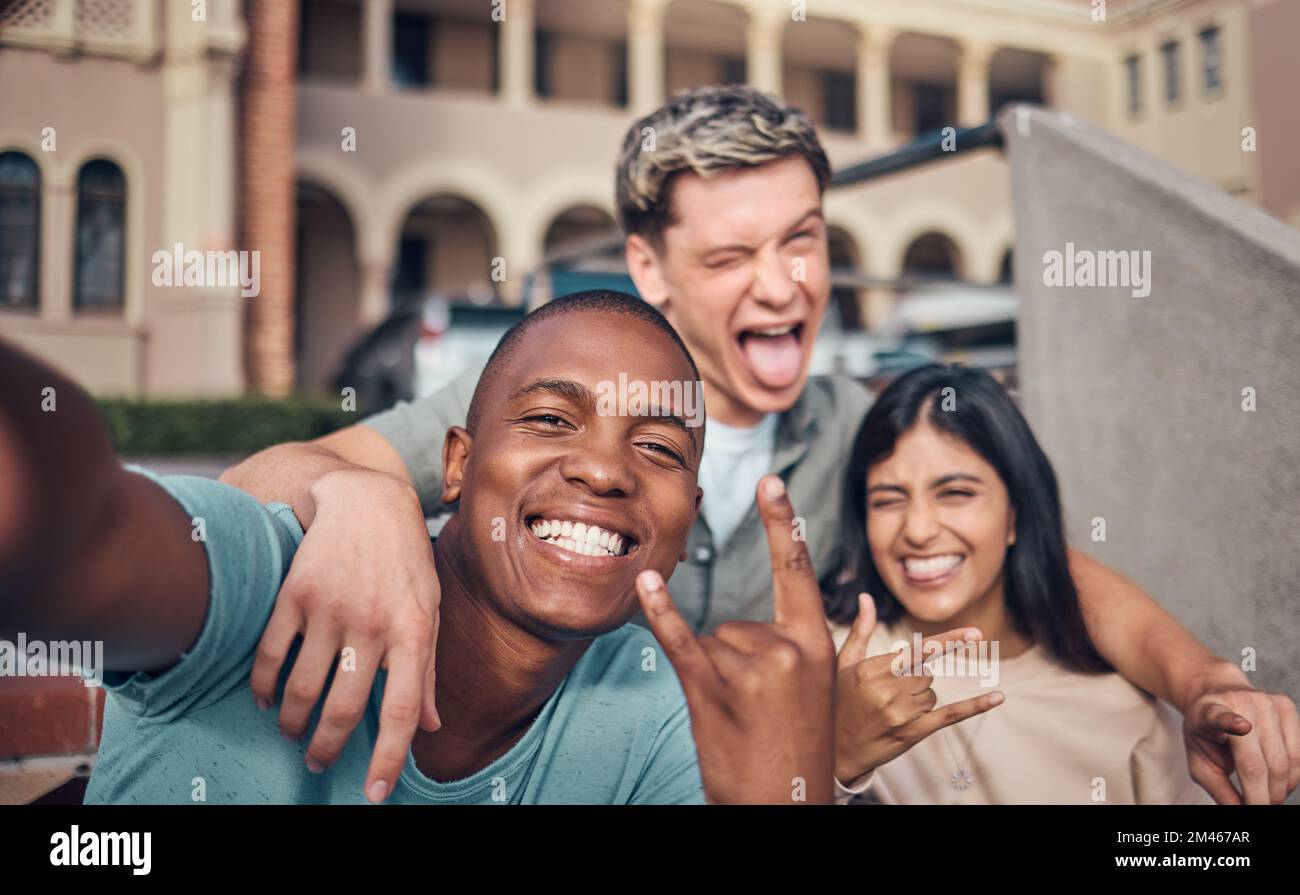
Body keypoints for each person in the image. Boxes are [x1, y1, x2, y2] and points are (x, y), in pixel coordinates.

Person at [221, 85, 1300, 805]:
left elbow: (1046, 561)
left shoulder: (852, 431)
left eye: (802, 239)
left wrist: (1205, 681)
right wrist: (360, 499)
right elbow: (262, 481)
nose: (782, 284)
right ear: (650, 269)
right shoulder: (540, 409)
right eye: (734, 254)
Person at [0, 292, 835, 805]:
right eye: (550, 418)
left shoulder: (654, 710)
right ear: (457, 467)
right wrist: (347, 485)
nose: (603, 468)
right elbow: (77, 529)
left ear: (684, 523)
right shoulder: (282, 576)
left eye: (657, 448)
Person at [830, 365, 1233, 803]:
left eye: (956, 493)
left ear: (1016, 515)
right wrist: (839, 757)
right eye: (888, 500)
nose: (919, 530)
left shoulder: (1121, 713)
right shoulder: (838, 668)